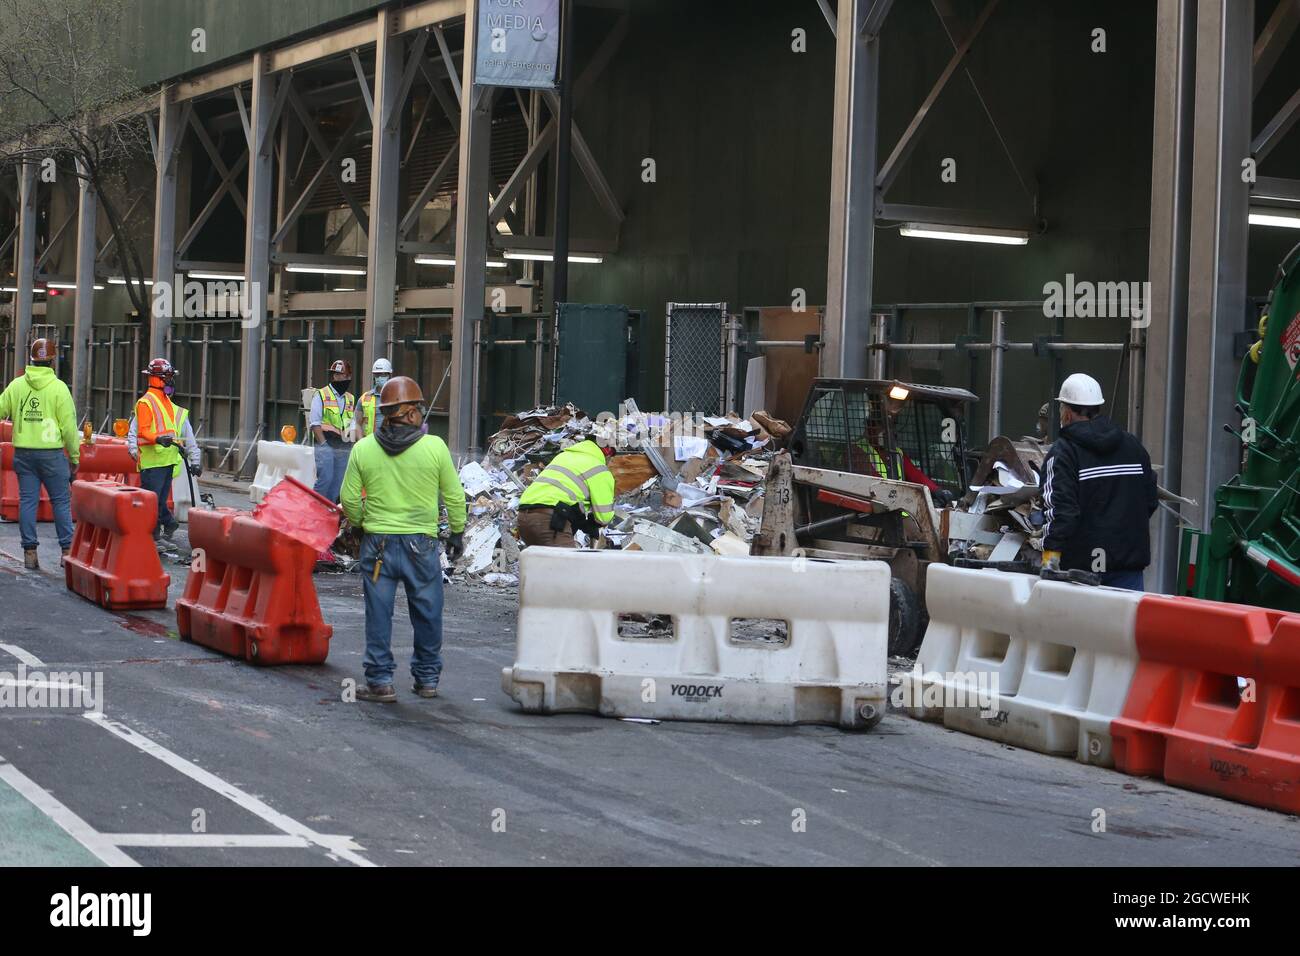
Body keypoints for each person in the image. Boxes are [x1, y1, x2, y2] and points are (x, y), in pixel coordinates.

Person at [340, 376, 466, 703]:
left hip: (377, 543)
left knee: (379, 613)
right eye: (419, 410)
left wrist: (359, 525)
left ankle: (380, 682)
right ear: (409, 414)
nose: (422, 415)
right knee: (428, 611)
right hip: (420, 545)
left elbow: (350, 499)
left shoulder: (363, 449)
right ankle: (426, 680)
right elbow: (454, 496)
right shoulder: (435, 447)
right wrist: (456, 532)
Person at [1042, 373, 1158, 590]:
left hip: (1080, 571)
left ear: (1066, 414)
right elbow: (1149, 501)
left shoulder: (1063, 453)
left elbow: (1060, 512)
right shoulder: (1133, 446)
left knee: (1079, 625)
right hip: (1128, 567)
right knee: (1123, 624)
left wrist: (1050, 558)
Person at [0, 338, 79, 570]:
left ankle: (30, 553)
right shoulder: (59, 388)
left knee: (28, 501)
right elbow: (69, 427)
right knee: (61, 502)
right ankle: (66, 552)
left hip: (24, 453)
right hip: (52, 455)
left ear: (31, 359)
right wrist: (74, 457)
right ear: (52, 361)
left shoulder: (17, 385)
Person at [127, 358, 201, 540]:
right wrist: (139, 448)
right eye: (167, 377)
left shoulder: (173, 408)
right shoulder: (146, 403)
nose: (170, 381)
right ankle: (155, 536)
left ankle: (163, 528)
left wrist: (195, 461)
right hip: (153, 464)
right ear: (155, 378)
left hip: (167, 463)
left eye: (170, 377)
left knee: (157, 502)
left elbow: (188, 436)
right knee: (152, 503)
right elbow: (138, 431)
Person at [516, 438, 616, 547]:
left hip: (523, 516)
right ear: (607, 455)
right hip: (551, 520)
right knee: (567, 563)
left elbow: (564, 493)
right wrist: (593, 523)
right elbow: (604, 517)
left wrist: (581, 521)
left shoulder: (563, 457)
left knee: (540, 563)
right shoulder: (599, 469)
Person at [310, 359, 356, 503]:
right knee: (325, 479)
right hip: (326, 445)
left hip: (343, 447)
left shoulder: (350, 399)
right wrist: (324, 445)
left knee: (338, 484)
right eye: (335, 374)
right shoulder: (321, 395)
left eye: (340, 375)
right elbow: (315, 424)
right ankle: (312, 508)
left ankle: (328, 512)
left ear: (348, 377)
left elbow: (351, 423)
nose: (337, 377)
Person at [354, 357, 392, 440]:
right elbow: (357, 423)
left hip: (390, 444)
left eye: (383, 374)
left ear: (389, 375)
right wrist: (361, 443)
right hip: (370, 444)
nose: (379, 377)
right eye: (377, 374)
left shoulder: (397, 397)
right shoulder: (364, 398)